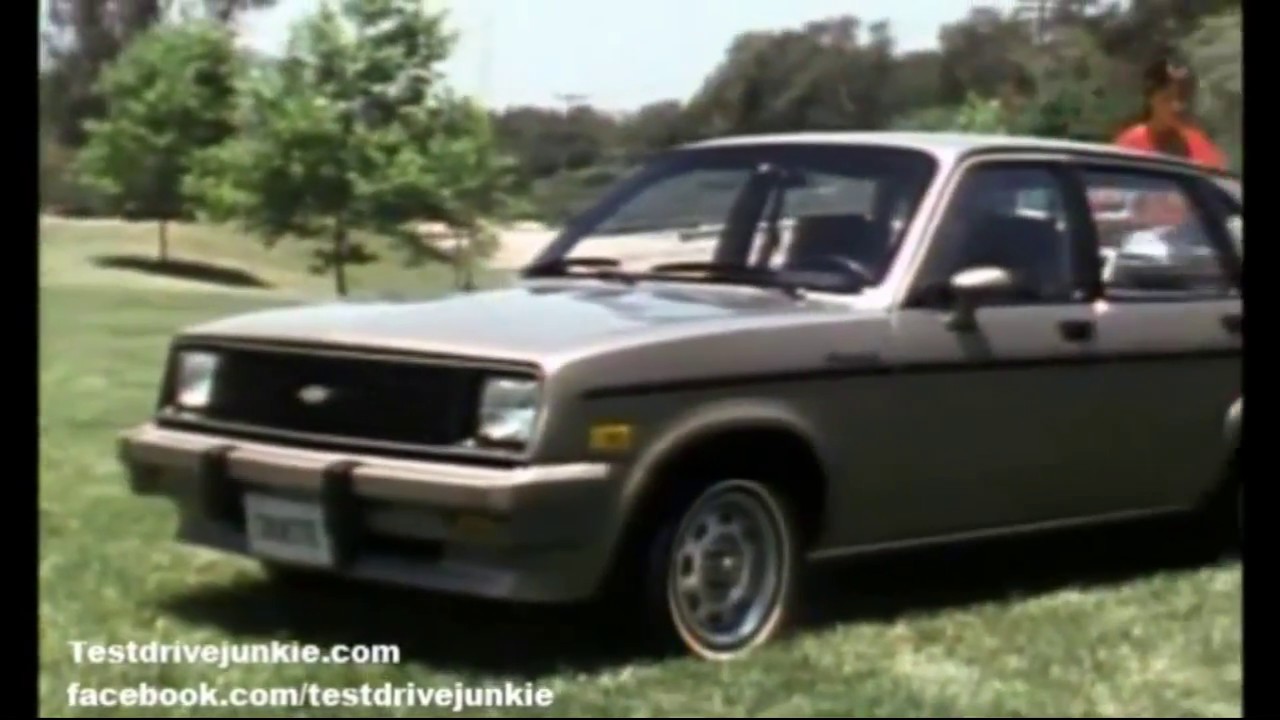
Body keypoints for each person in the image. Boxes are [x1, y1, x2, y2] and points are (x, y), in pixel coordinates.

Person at [1112, 56, 1226, 169]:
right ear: (1150, 98)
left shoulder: (1200, 145)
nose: (1177, 106)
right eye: (1167, 98)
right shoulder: (1130, 146)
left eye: (1183, 97)